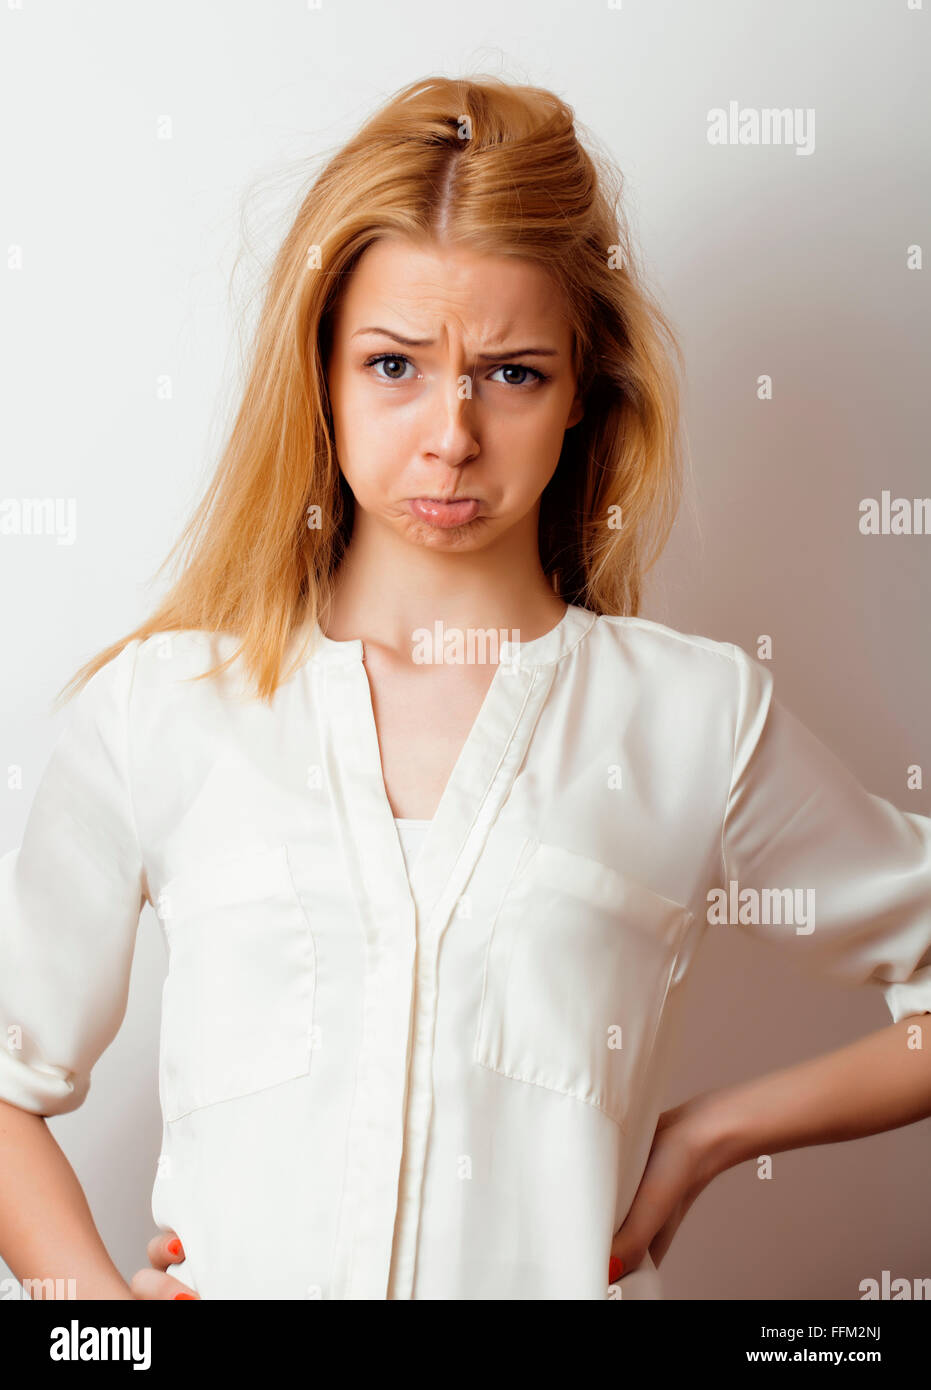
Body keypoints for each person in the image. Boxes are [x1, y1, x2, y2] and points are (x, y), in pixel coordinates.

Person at [1, 73, 929, 1302]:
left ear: (580, 396)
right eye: (393, 365)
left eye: (510, 374)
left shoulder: (692, 717)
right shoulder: (159, 710)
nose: (449, 434)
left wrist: (711, 1133)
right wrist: (101, 1331)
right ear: (320, 374)